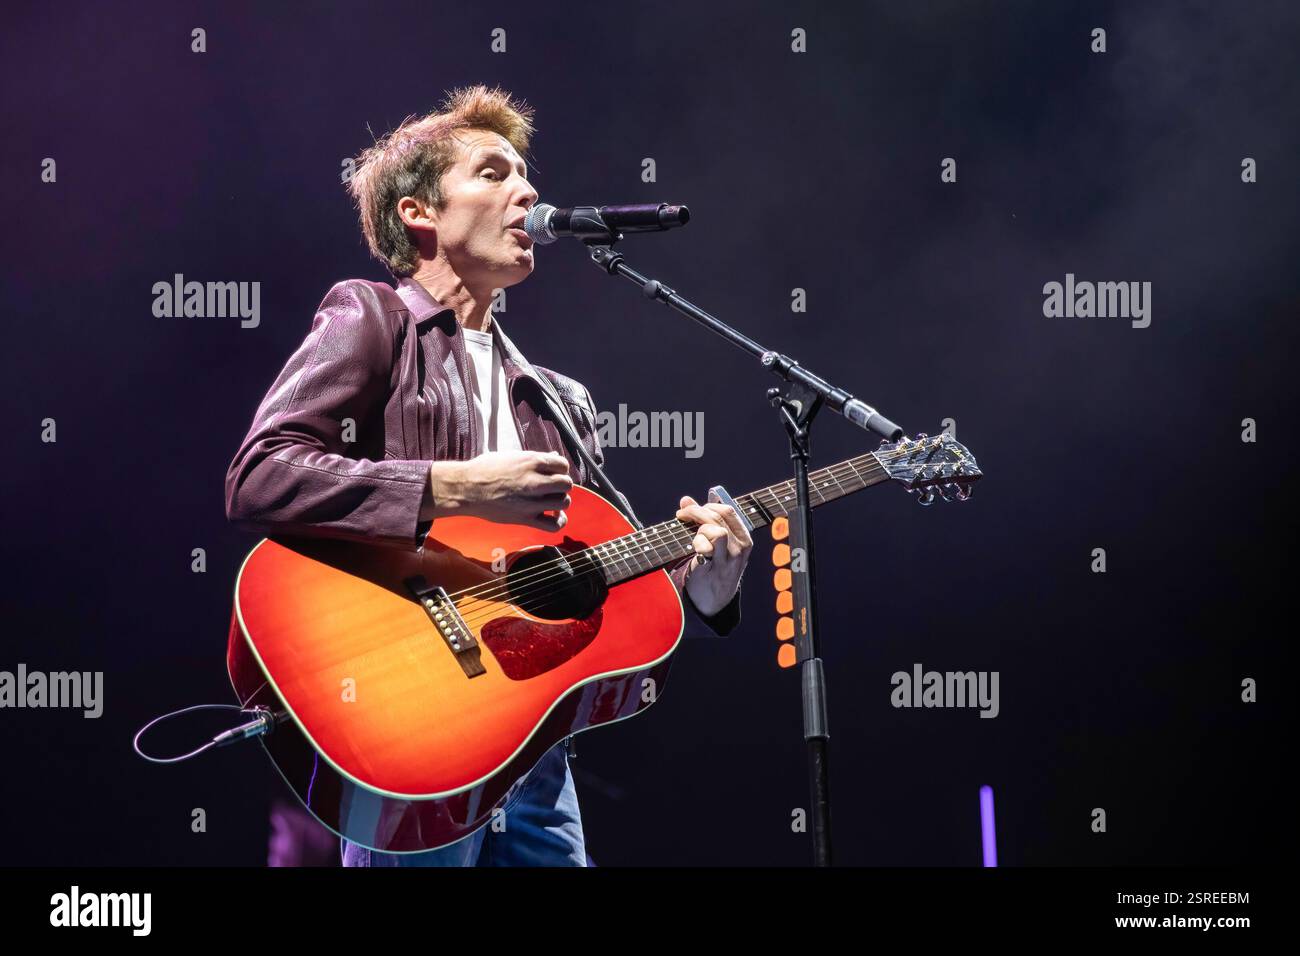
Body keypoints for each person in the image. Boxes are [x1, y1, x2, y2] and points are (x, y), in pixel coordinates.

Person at [224, 84, 753, 867]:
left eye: (526, 174)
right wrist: (456, 488)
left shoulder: (560, 401)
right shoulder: (374, 318)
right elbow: (261, 475)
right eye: (493, 172)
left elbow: (606, 586)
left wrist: (705, 591)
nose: (529, 191)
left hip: (535, 754)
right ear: (420, 214)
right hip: (418, 733)